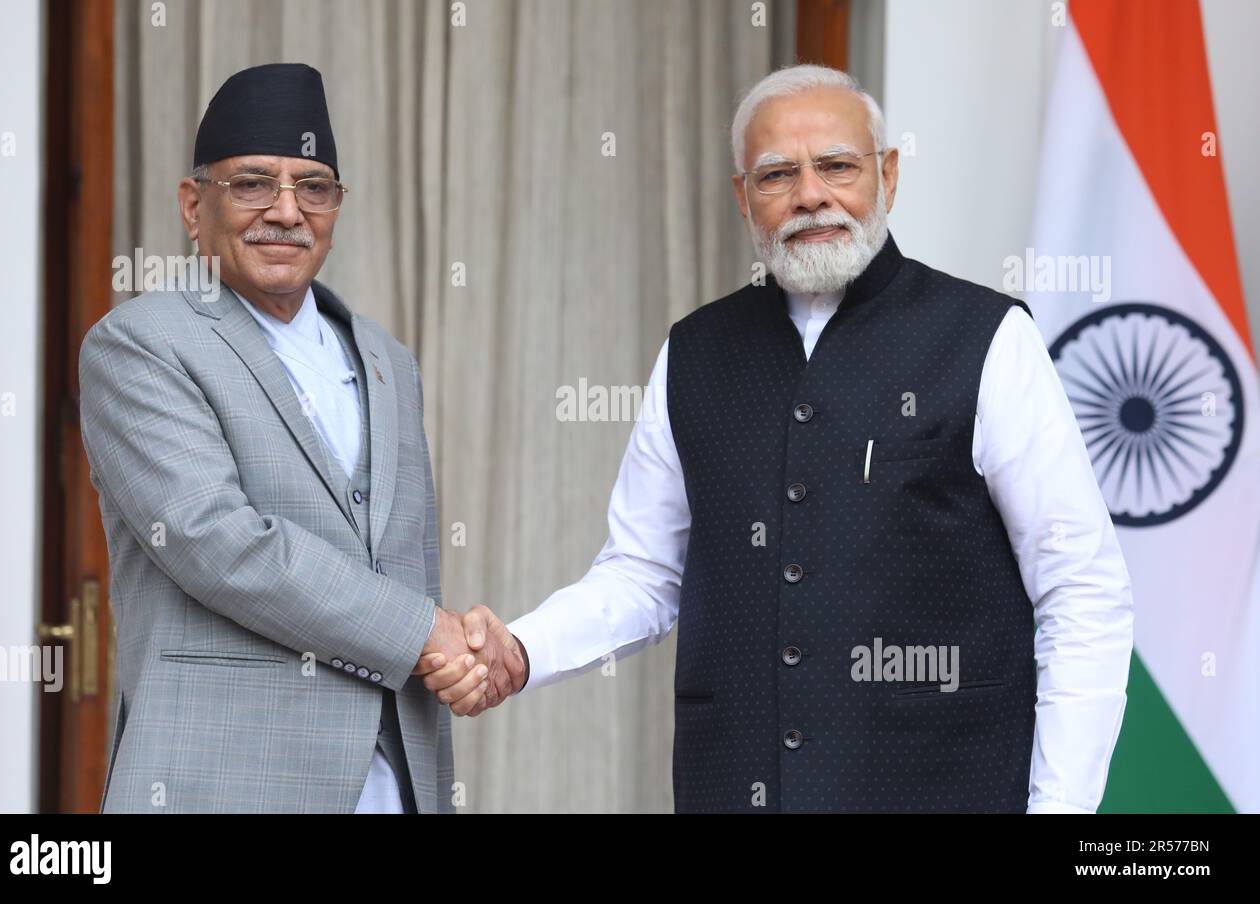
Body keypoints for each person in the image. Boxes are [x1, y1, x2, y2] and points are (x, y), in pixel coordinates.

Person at [425, 64, 1135, 814]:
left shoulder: (987, 338)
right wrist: (523, 649)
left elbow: (1081, 588)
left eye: (836, 166)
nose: (809, 196)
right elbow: (642, 573)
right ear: (743, 197)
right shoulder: (694, 352)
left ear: (888, 175)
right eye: (777, 175)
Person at [79, 63, 524, 813]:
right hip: (220, 784)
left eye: (313, 187)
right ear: (194, 206)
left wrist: (476, 653)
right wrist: (428, 634)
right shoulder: (140, 345)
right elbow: (219, 542)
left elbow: (398, 568)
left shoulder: (387, 360)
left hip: (392, 784)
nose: (286, 211)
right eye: (252, 183)